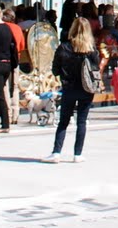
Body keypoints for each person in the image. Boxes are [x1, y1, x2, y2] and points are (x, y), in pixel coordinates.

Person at [46, 19, 101, 163]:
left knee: (63, 121)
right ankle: (77, 154)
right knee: (81, 122)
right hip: (86, 89)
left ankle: (56, 152)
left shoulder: (64, 47)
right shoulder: (91, 50)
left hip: (69, 87)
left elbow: (55, 70)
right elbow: (97, 68)